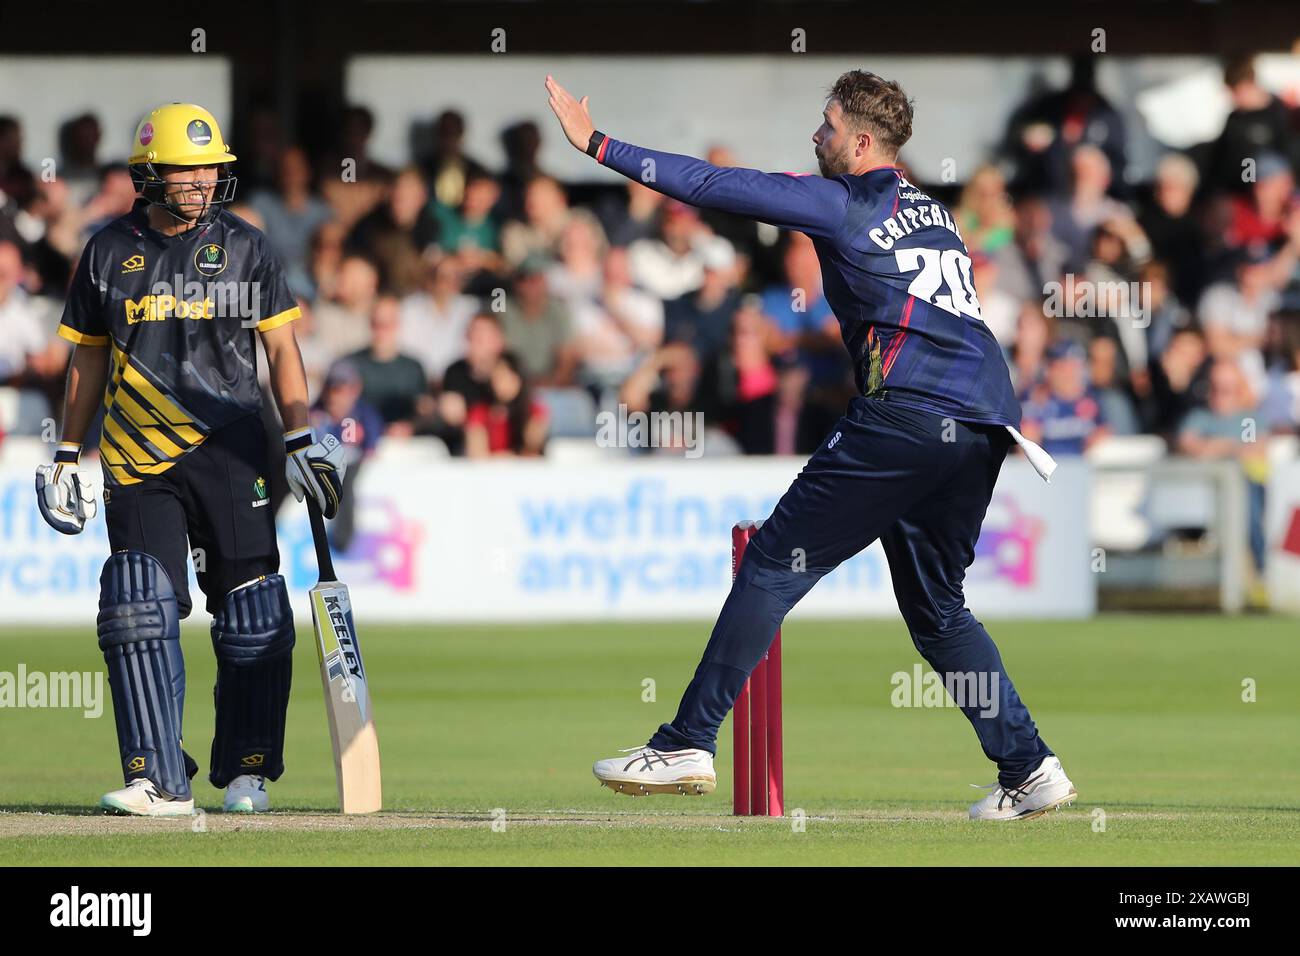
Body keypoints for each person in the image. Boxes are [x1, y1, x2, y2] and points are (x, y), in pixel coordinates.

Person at [547, 70, 1075, 820]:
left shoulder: (845, 201)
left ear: (861, 142)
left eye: (826, 126)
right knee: (940, 614)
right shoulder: (934, 212)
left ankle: (685, 743)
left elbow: (713, 184)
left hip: (908, 414)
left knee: (769, 561)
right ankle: (1029, 768)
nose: (815, 136)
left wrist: (597, 145)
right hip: (987, 423)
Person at [34, 103, 346, 818]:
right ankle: (158, 779)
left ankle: (246, 772)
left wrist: (299, 438)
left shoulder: (247, 246)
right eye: (188, 168)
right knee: (137, 604)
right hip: (137, 458)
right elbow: (86, 357)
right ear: (150, 174)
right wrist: (65, 452)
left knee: (254, 614)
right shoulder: (108, 251)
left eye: (212, 167)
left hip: (233, 450)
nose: (204, 180)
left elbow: (282, 350)